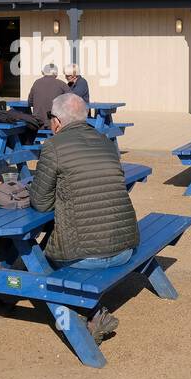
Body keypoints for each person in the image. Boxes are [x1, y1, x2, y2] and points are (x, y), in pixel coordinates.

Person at [28, 92, 138, 340]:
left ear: (56, 120)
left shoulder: (53, 147)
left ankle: (91, 312)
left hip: (84, 258)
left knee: (38, 256)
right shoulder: (107, 143)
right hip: (124, 248)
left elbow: (41, 204)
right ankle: (92, 312)